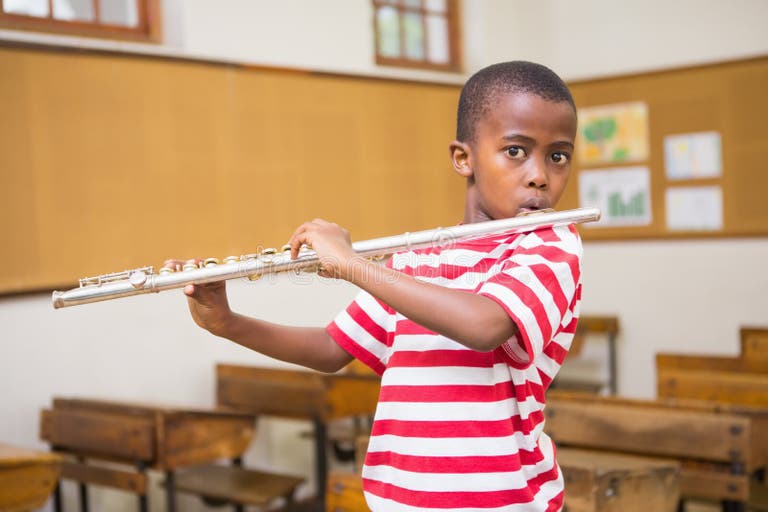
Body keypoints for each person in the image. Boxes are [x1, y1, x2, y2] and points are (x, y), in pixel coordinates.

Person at [169, 61, 581, 511]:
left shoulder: (551, 244)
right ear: (464, 157)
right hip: (398, 501)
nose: (540, 174)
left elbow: (485, 325)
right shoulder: (415, 258)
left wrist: (353, 266)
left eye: (557, 156)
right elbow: (332, 348)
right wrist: (226, 323)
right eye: (517, 151)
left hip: (502, 501)